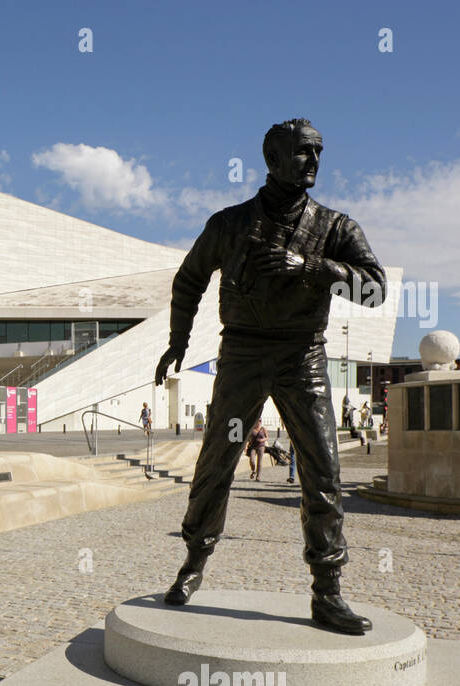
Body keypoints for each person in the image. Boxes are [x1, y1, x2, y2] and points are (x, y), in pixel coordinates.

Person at [154, 117, 386, 635]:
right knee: (217, 459)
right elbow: (188, 279)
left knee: (323, 467)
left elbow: (375, 289)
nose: (314, 162)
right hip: (242, 353)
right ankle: (193, 561)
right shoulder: (228, 223)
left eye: (318, 152)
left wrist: (309, 266)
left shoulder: (336, 227)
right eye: (302, 152)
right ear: (273, 159)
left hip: (303, 355)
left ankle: (328, 591)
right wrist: (177, 341)